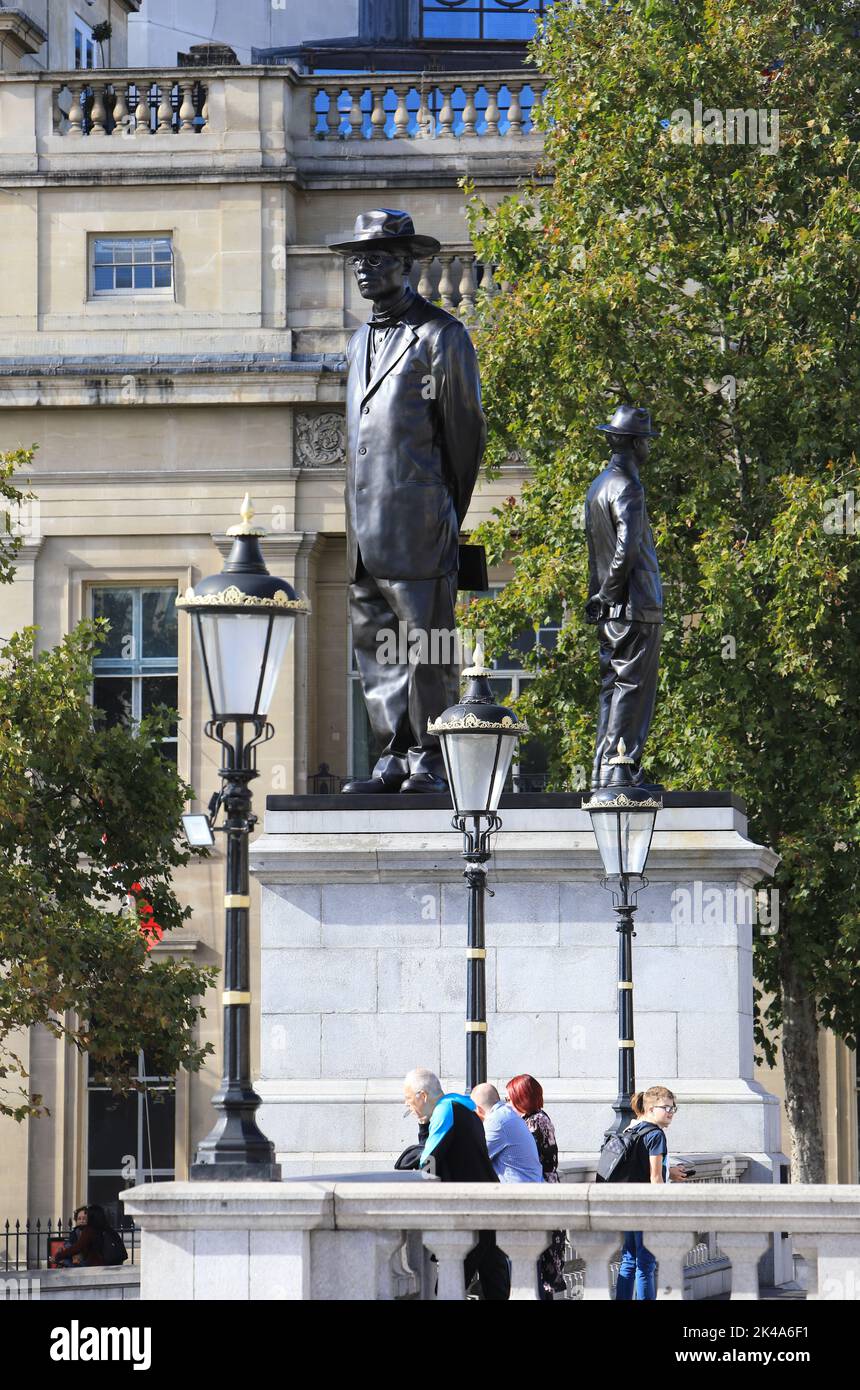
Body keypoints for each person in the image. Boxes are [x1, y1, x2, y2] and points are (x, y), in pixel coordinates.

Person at [329, 209, 487, 795]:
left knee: (424, 643)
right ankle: (393, 753)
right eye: (358, 260)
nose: (364, 269)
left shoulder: (442, 336)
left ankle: (430, 755)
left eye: (376, 258)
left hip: (420, 525)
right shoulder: (357, 340)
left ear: (406, 264)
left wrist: (441, 514)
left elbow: (464, 439)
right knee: (375, 644)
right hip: (363, 531)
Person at [584, 403, 663, 790]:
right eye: (646, 441)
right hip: (634, 606)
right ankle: (620, 767)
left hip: (611, 609)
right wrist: (610, 593)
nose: (649, 448)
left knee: (612, 688)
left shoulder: (597, 486)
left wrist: (597, 599)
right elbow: (626, 548)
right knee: (632, 688)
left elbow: (594, 552)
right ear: (633, 444)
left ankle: (604, 767)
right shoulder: (628, 487)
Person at [401, 1067, 510, 1300]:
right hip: (490, 1205)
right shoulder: (466, 1108)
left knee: (451, 1286)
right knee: (496, 1285)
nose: (410, 1108)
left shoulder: (444, 1111)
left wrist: (422, 1128)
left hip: (470, 1213)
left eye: (410, 1101)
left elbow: (427, 1164)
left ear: (422, 1096)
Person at [615, 1085, 690, 1301]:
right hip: (646, 1205)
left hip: (627, 1203)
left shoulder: (632, 1129)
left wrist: (670, 1172)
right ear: (649, 1109)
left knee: (628, 1259)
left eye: (672, 1108)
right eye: (665, 1107)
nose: (670, 1112)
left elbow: (639, 1167)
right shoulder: (656, 1135)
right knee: (646, 1263)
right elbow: (655, 1178)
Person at [506, 1073, 567, 1300]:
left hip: (542, 1187)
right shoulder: (539, 1117)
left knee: (543, 1258)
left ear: (522, 1097)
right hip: (547, 1184)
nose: (507, 1103)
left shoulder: (534, 1121)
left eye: (510, 1097)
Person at [470, 1083, 543, 1184]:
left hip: (519, 1192)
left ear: (478, 1109)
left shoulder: (496, 1121)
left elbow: (476, 1156)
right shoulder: (507, 1113)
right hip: (531, 1185)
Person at [53, 1203, 111, 1268]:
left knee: (65, 1262)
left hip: (93, 1265)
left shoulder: (90, 1230)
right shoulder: (74, 1233)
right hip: (90, 1263)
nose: (82, 1221)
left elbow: (78, 1247)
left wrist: (59, 1256)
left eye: (84, 1218)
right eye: (79, 1219)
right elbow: (70, 1247)